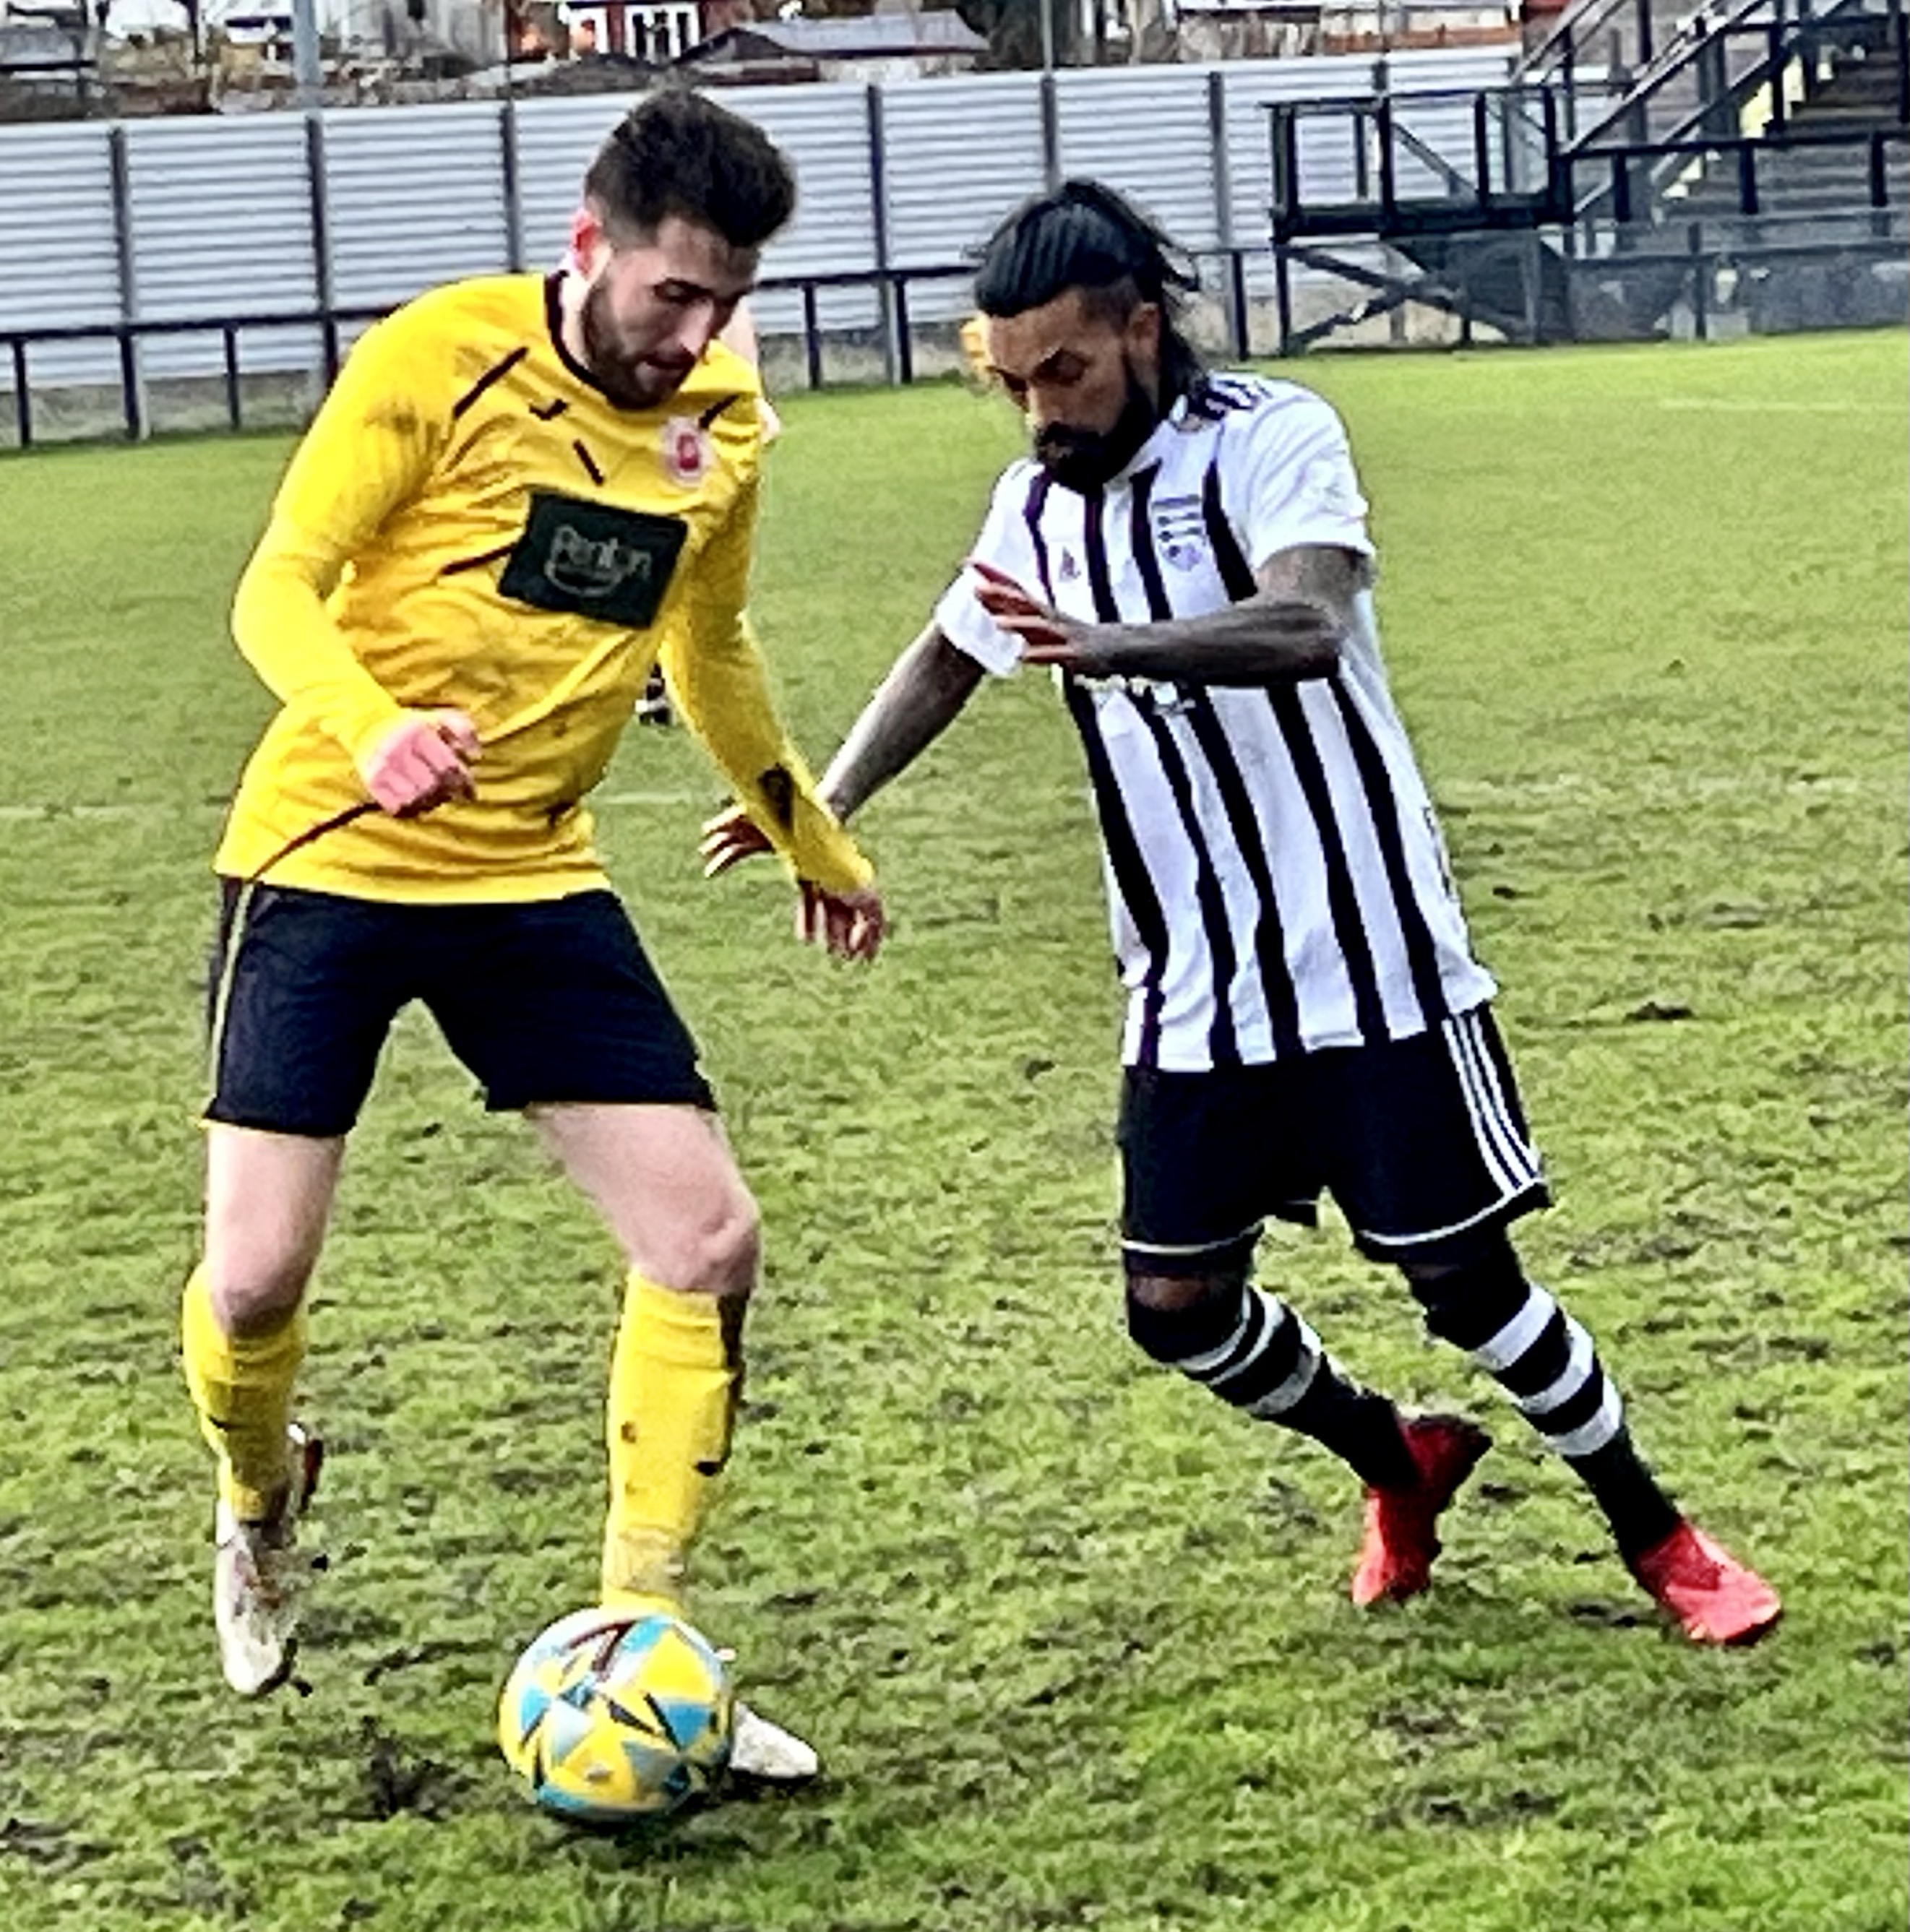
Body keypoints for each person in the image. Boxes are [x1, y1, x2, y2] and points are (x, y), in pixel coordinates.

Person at [705, 180, 1781, 1647]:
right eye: (1007, 380)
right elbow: (948, 656)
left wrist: (1105, 644)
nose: (1036, 410)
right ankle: (1391, 1455)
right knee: (1173, 1306)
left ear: (1141, 328)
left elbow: (1303, 621)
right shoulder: (1035, 501)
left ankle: (1653, 1529)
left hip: (1370, 962)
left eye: (1064, 372)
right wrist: (812, 811)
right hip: (1190, 986)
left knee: (1462, 1279)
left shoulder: (1273, 437)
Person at [183, 87, 885, 1780]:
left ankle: (637, 1645)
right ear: (590, 249)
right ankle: (257, 1500)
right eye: (670, 297)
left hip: (529, 878)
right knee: (259, 1270)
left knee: (707, 1237)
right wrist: (371, 726)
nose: (697, 337)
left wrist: (814, 832)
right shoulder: (443, 356)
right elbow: (274, 585)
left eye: (726, 304)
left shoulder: (723, 418)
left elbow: (705, 652)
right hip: (330, 851)